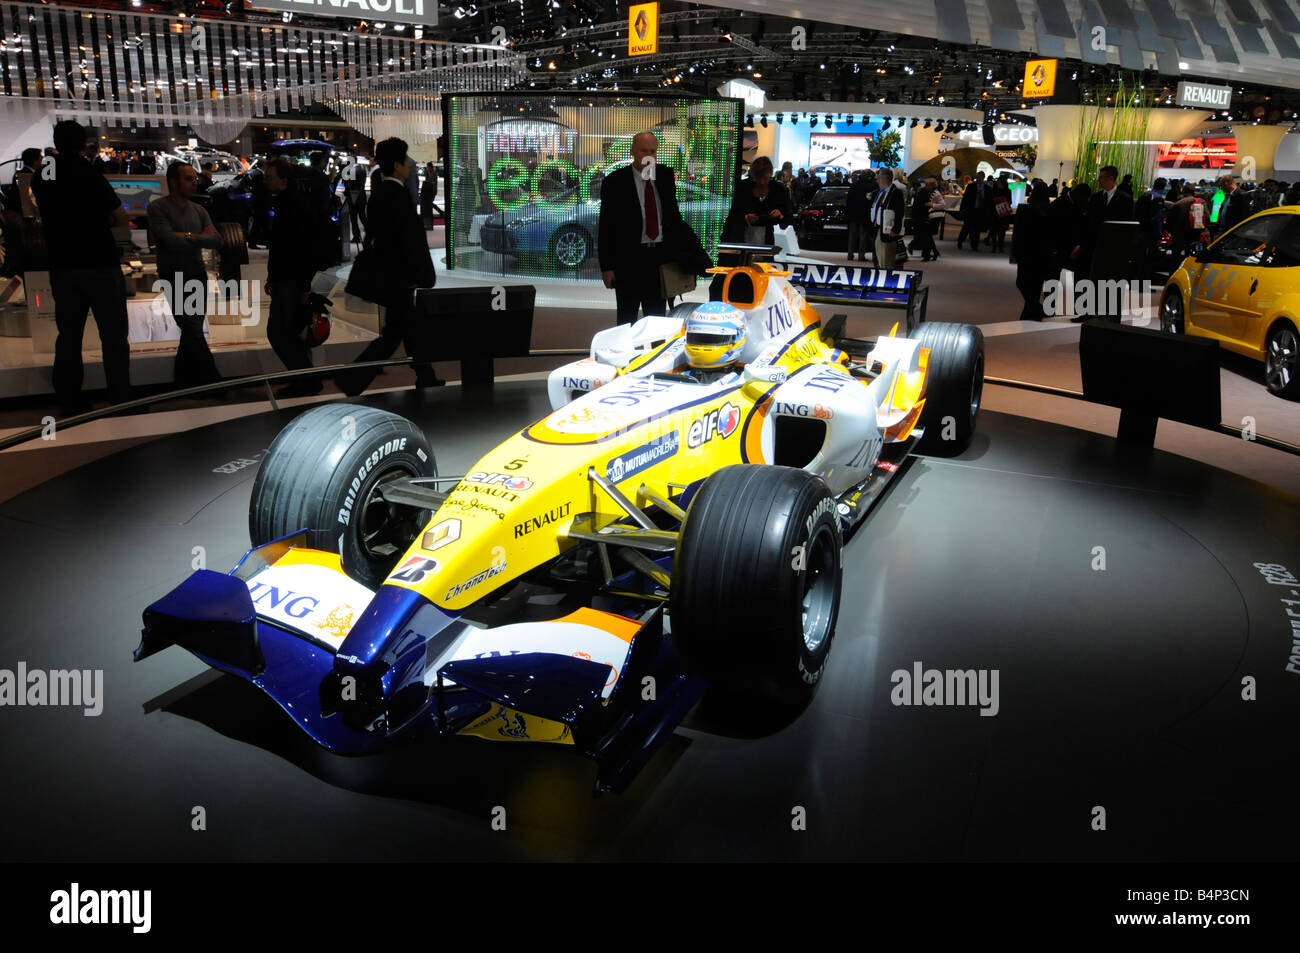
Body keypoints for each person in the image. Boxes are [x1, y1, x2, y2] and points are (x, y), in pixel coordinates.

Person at [30, 120, 132, 416]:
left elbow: (41, 210)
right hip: (99, 261)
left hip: (63, 264)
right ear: (82, 143)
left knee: (69, 335)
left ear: (56, 142)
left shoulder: (43, 174)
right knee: (113, 336)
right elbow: (119, 216)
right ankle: (121, 398)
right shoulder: (90, 172)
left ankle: (70, 399)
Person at [336, 138, 441, 397]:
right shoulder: (396, 195)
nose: (409, 166)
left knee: (407, 327)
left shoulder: (382, 193)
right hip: (399, 276)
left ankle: (425, 375)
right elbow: (403, 240)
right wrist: (413, 274)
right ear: (397, 165)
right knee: (396, 332)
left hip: (392, 274)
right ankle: (353, 378)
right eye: (405, 160)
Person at [147, 162, 222, 389]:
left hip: (196, 273)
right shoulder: (158, 208)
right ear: (173, 182)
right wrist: (199, 236)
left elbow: (217, 239)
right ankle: (211, 381)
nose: (194, 182)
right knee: (191, 328)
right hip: (173, 275)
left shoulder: (199, 209)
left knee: (193, 329)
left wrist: (189, 236)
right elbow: (169, 240)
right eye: (188, 178)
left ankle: (185, 382)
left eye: (194, 178)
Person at [597, 131, 684, 325]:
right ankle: (625, 355)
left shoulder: (665, 177)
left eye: (653, 151)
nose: (649, 156)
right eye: (644, 150)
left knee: (656, 319)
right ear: (633, 151)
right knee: (626, 318)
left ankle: (654, 354)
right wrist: (607, 267)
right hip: (628, 261)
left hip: (659, 259)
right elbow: (606, 226)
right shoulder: (615, 182)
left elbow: (673, 217)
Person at [264, 157, 326, 397]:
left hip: (290, 281)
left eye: (270, 177)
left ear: (284, 179)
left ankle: (308, 380)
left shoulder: (294, 206)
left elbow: (301, 251)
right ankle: (305, 380)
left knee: (279, 333)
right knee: (286, 332)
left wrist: (303, 287)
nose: (266, 181)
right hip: (286, 279)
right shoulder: (287, 203)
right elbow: (282, 249)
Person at [711, 156, 793, 298]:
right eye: (758, 179)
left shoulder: (778, 189)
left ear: (770, 175)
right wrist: (745, 218)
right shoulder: (744, 187)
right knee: (740, 277)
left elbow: (788, 217)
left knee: (762, 276)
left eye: (765, 179)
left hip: (765, 240)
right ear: (753, 176)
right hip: (741, 238)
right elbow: (733, 216)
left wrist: (780, 214)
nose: (761, 183)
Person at [1012, 185, 1053, 321]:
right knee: (1033, 286)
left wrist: (1015, 252)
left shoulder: (1025, 210)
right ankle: (1035, 310)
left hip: (1027, 254)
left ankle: (1032, 311)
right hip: (1040, 255)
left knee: (1025, 283)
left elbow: (1017, 233)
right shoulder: (1047, 211)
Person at [869, 168, 906, 269]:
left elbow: (900, 212)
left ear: (885, 179)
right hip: (877, 230)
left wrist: (895, 229)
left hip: (888, 232)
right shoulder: (879, 192)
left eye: (879, 178)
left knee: (887, 260)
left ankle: (888, 281)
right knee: (878, 259)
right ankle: (879, 278)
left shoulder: (895, 192)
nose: (877, 180)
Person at [845, 169, 872, 262]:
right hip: (864, 215)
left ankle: (850, 254)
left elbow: (848, 201)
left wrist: (848, 214)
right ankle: (861, 256)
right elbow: (869, 202)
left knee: (852, 236)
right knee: (863, 236)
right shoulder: (869, 187)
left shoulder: (854, 186)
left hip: (853, 215)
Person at [910, 176, 939, 262]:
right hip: (921, 216)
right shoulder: (925, 192)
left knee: (925, 236)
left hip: (919, 216)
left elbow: (918, 204)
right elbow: (922, 204)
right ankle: (930, 253)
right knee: (926, 236)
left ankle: (928, 253)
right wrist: (928, 205)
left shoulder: (923, 191)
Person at [957, 171, 987, 250]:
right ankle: (960, 241)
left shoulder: (986, 188)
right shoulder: (970, 187)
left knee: (977, 229)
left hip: (980, 210)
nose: (978, 179)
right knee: (966, 227)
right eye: (977, 177)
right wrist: (962, 209)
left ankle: (974, 245)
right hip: (970, 210)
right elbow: (965, 199)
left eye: (979, 177)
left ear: (983, 177)